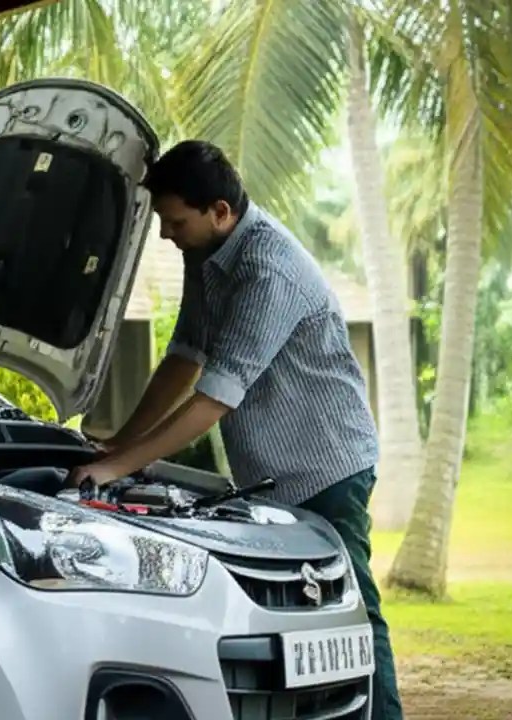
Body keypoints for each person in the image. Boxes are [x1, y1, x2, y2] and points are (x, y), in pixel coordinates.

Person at [67, 139, 403, 719]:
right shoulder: (206, 258)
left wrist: (119, 467)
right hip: (272, 478)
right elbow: (185, 355)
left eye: (176, 222)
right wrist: (120, 443)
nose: (167, 234)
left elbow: (215, 396)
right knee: (293, 628)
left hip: (326, 467)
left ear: (220, 212)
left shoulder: (266, 268)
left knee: (352, 618)